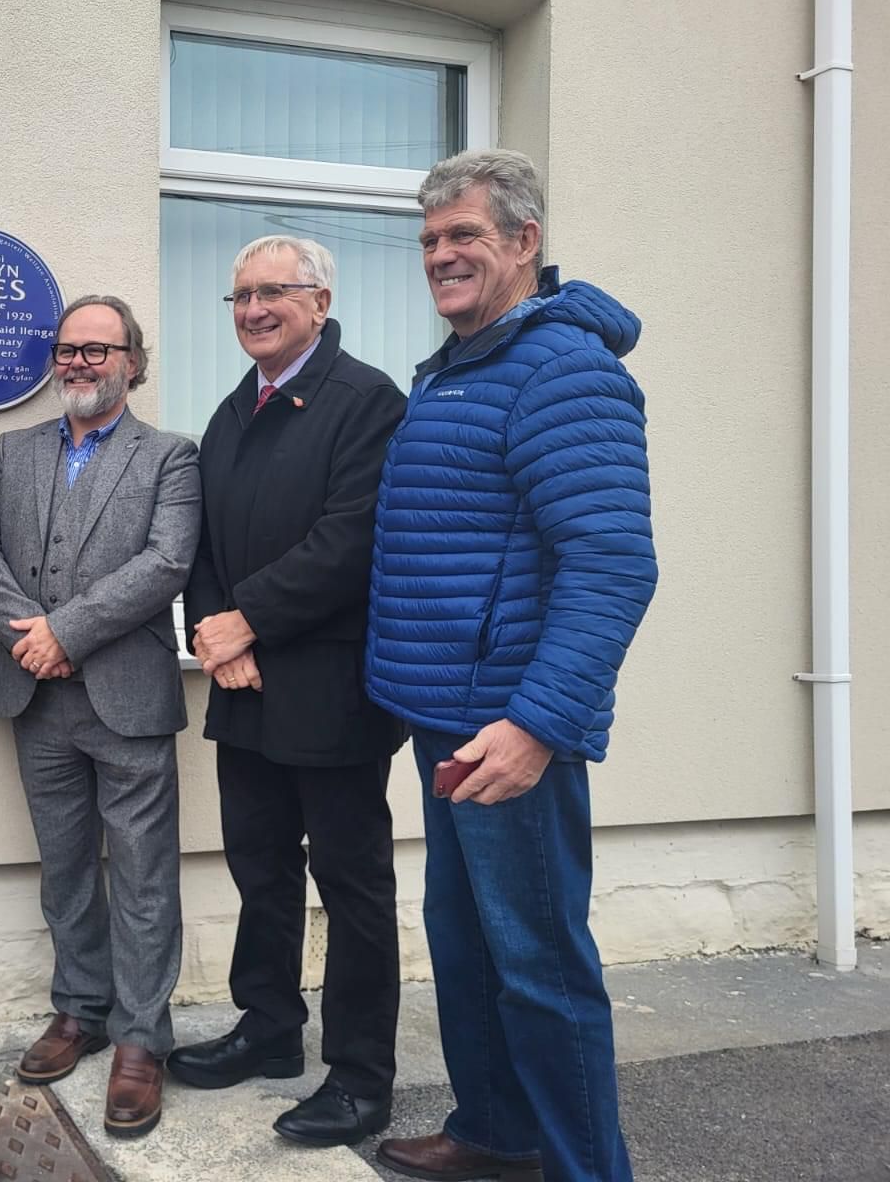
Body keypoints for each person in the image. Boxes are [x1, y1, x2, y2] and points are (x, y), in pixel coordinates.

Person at [366, 148, 657, 1182]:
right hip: (448, 717)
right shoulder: (463, 365)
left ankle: (587, 1170)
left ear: (524, 243)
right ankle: (494, 1132)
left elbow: (612, 566)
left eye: (464, 237)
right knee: (468, 944)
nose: (441, 256)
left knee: (538, 966)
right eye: (430, 240)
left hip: (508, 727)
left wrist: (537, 725)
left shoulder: (562, 369)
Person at [172, 236, 407, 1147]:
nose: (253, 310)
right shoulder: (236, 410)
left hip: (332, 688)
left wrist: (247, 620)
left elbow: (352, 540)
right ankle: (269, 1029)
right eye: (239, 297)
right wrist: (213, 630)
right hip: (245, 685)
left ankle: (359, 1076)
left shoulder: (366, 402)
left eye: (273, 293)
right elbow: (203, 546)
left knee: (352, 886)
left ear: (319, 300)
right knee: (260, 869)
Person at [0, 294, 201, 1138]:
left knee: (142, 877)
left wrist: (65, 631)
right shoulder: (12, 449)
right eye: (68, 349)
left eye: (99, 349)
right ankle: (80, 1009)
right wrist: (32, 641)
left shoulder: (171, 456)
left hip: (125, 697)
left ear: (133, 361)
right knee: (64, 870)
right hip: (37, 698)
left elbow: (167, 562)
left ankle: (142, 1040)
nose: (80, 362)